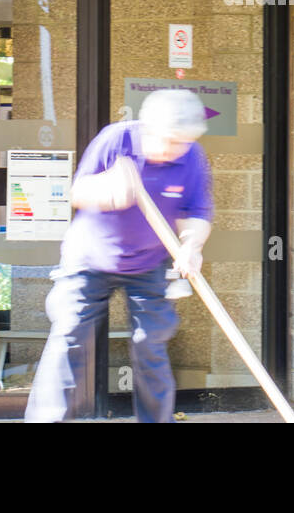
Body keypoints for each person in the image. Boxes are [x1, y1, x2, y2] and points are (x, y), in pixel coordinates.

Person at [24, 89, 213, 423]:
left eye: (181, 142)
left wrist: (190, 247)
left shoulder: (192, 156)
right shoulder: (116, 139)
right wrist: (109, 191)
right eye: (168, 140)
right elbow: (77, 192)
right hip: (88, 258)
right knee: (70, 333)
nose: (173, 150)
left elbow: (196, 211)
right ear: (148, 128)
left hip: (149, 262)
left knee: (150, 342)